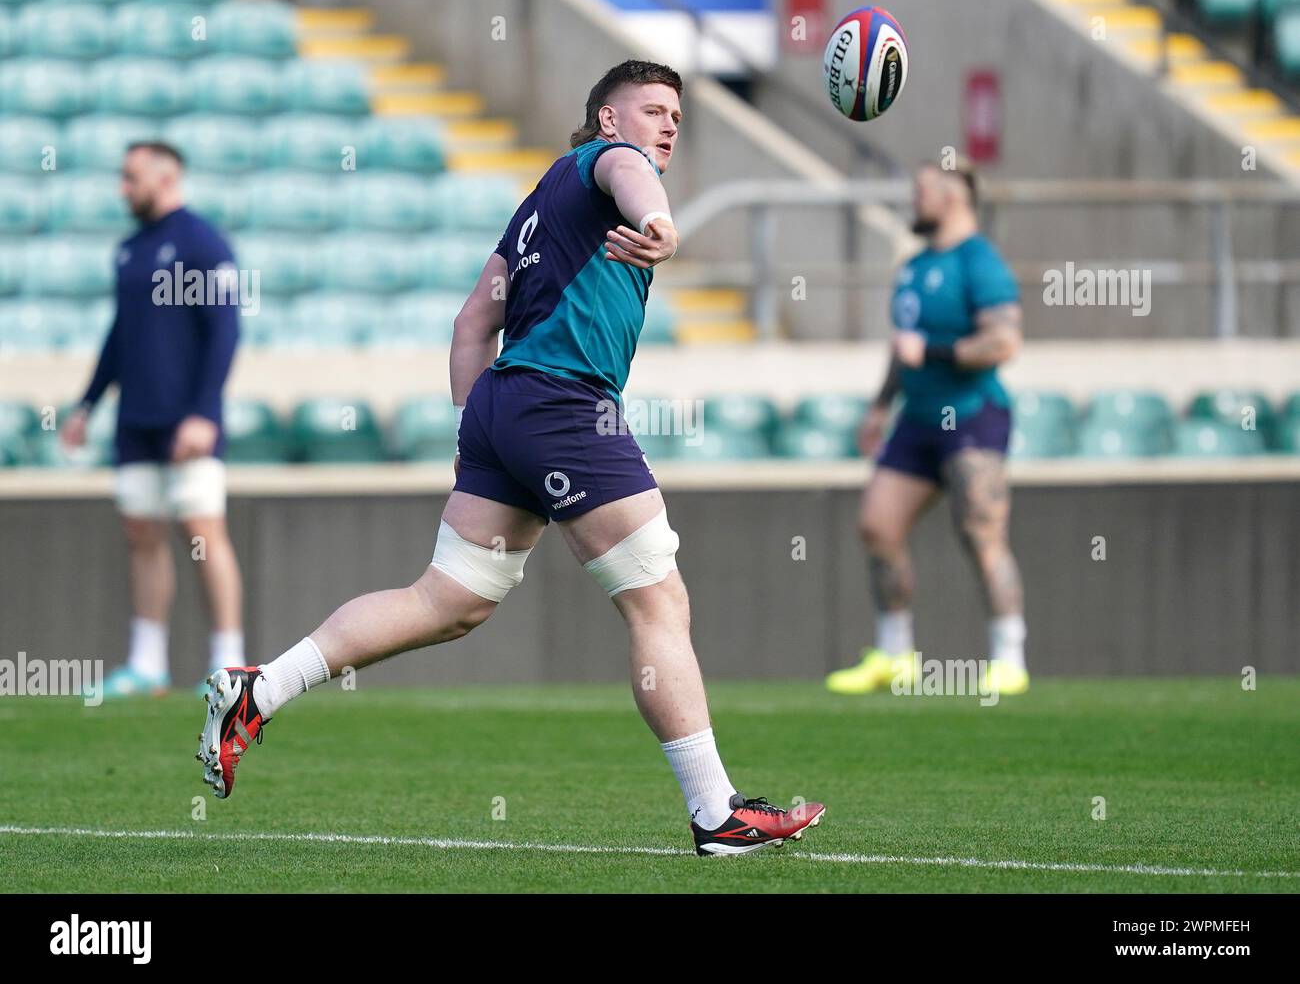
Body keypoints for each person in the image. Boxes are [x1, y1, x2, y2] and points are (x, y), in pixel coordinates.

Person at [198, 60, 825, 857]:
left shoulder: (537, 205)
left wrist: (479, 433)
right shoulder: (608, 164)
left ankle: (262, 687)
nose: (668, 126)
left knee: (447, 602)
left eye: (676, 115)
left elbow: (470, 323)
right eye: (654, 109)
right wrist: (662, 222)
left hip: (503, 406)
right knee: (657, 601)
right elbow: (634, 176)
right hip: (564, 404)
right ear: (607, 118)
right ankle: (715, 813)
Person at [826, 159, 1028, 697]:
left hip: (972, 414)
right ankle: (896, 656)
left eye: (922, 192)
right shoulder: (913, 267)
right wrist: (879, 406)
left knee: (981, 532)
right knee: (877, 527)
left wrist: (935, 352)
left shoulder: (979, 262)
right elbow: (902, 349)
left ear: (954, 195)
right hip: (915, 419)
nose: (914, 201)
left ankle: (1010, 656)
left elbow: (1003, 342)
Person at [64, 141, 244, 698]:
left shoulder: (201, 241)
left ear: (165, 177)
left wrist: (202, 412)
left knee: (202, 529)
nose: (123, 188)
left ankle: (230, 665)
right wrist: (88, 403)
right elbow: (120, 335)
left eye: (131, 177)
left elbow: (225, 330)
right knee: (140, 530)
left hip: (185, 419)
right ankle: (147, 665)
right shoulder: (129, 250)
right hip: (135, 419)